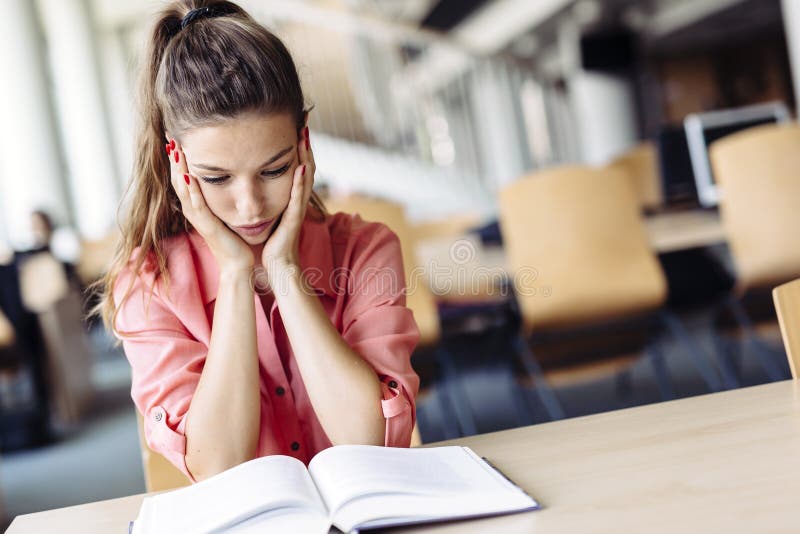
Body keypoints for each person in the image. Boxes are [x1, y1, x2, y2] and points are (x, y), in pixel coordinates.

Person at [92, 1, 420, 482]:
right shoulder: (149, 285)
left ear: (303, 143)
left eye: (274, 169)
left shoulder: (366, 250)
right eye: (217, 178)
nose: (250, 206)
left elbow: (368, 443)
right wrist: (235, 273)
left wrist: (284, 270)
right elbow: (219, 466)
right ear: (177, 162)